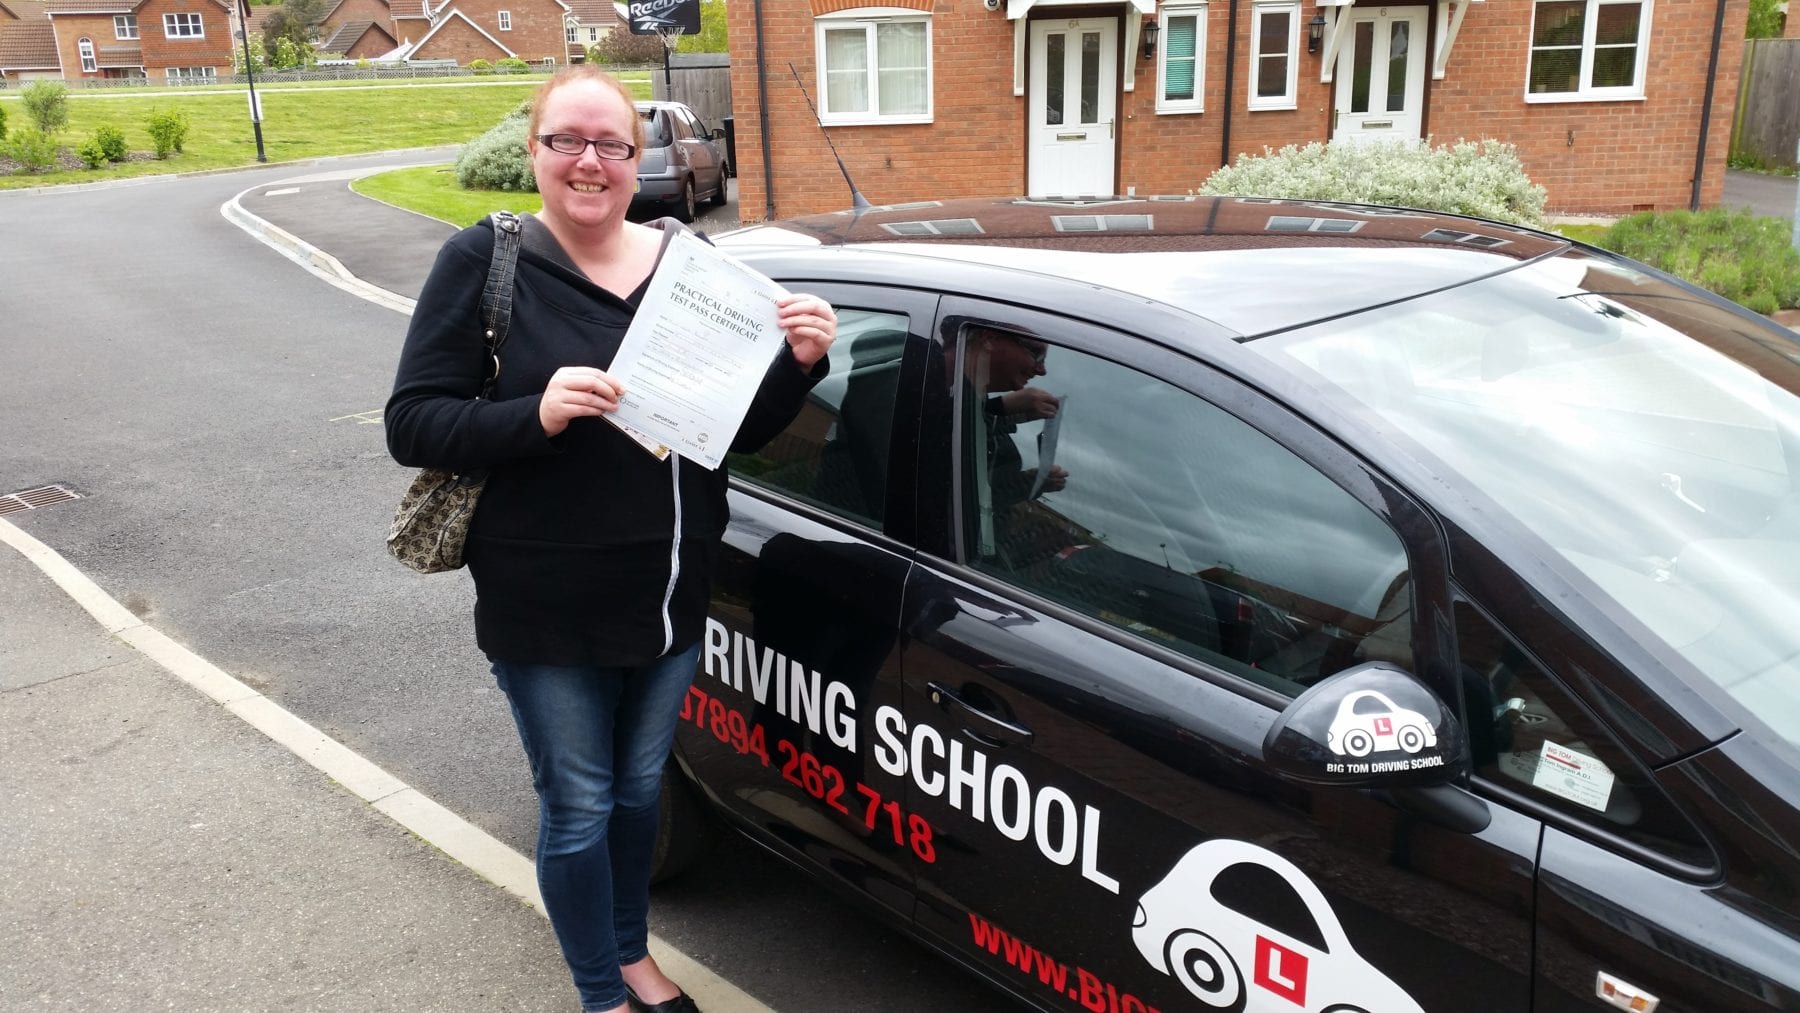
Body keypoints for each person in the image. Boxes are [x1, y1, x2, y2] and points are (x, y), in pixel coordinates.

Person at [384, 66, 836, 1013]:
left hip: (669, 589)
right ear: (535, 150)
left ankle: (630, 953)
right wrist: (533, 413)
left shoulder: (689, 267)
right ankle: (603, 991)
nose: (590, 162)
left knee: (638, 796)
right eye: (567, 141)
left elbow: (735, 434)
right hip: (544, 605)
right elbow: (413, 422)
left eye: (612, 145)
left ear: (640, 160)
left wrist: (798, 366)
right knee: (580, 804)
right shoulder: (487, 260)